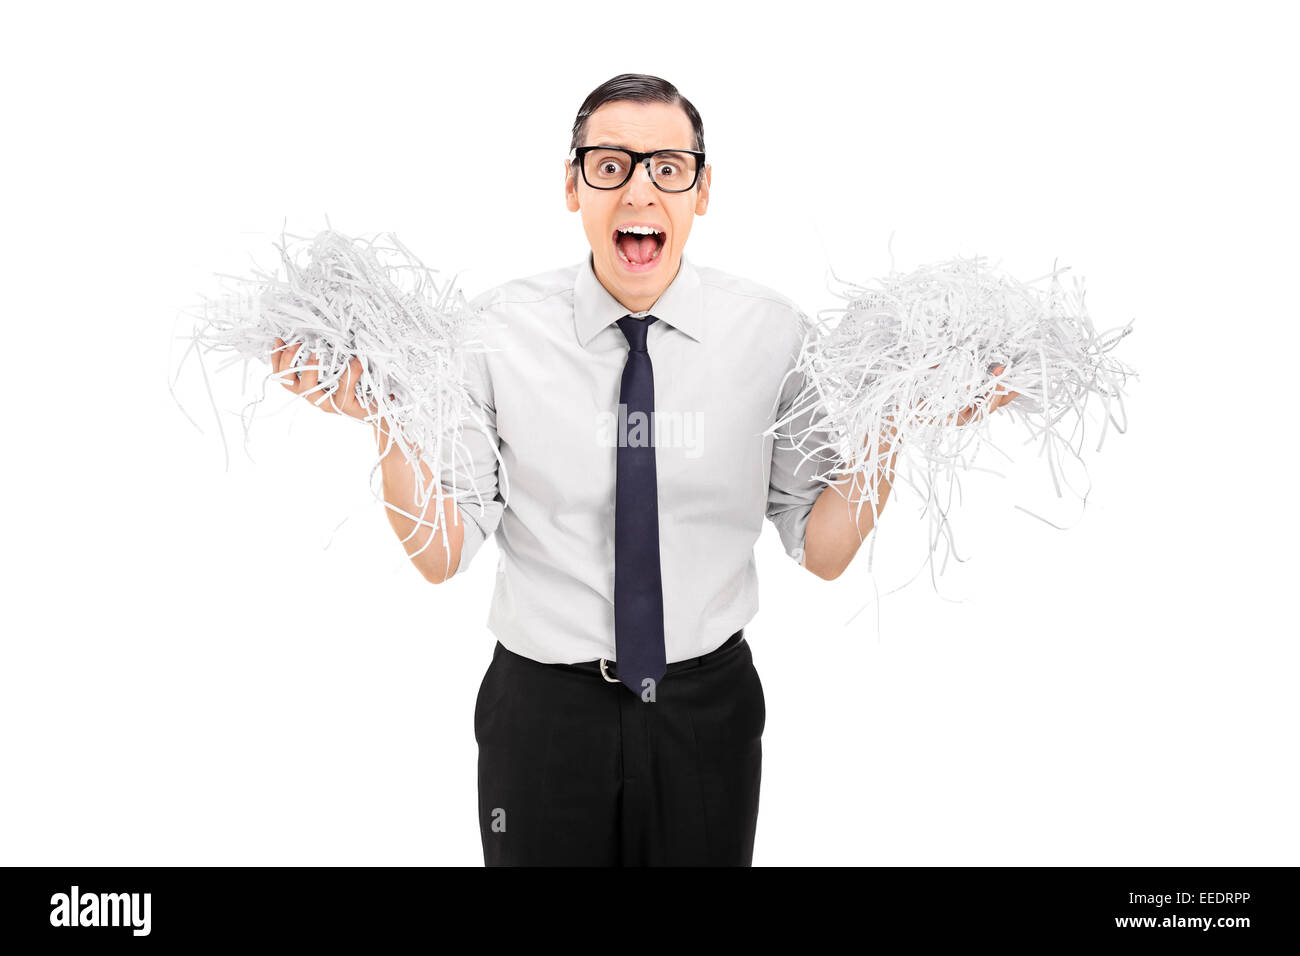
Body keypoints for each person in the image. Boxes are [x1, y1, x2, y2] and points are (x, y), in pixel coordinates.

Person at [269, 73, 1016, 866]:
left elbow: (824, 552)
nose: (639, 190)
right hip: (542, 713)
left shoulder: (773, 337)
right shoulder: (494, 335)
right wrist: (389, 413)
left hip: (707, 711)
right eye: (610, 165)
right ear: (572, 185)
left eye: (667, 167)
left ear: (701, 190)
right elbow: (439, 552)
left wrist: (891, 417)